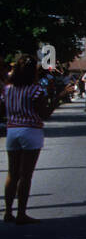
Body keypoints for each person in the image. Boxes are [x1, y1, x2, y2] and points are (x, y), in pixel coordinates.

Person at [4, 54, 55, 225]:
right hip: (31, 131)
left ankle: (8, 212)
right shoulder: (36, 89)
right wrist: (60, 95)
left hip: (12, 130)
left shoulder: (8, 88)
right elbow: (45, 114)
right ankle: (21, 214)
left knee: (12, 173)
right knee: (26, 175)